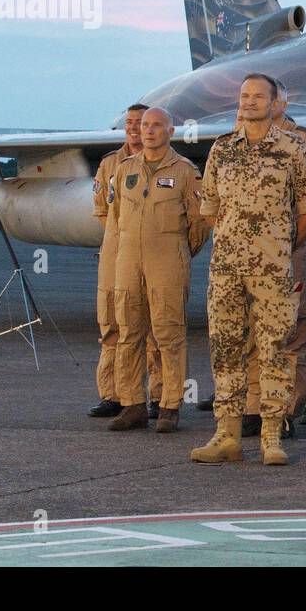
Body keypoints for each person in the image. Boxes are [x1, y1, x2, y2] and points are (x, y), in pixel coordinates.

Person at [190, 74, 306, 466]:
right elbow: (211, 211)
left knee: (275, 350)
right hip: (226, 270)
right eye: (244, 95)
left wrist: (279, 245)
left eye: (258, 96)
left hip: (273, 270)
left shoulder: (293, 148)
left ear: (275, 102)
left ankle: (270, 437)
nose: (248, 102)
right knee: (225, 349)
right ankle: (227, 435)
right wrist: (238, 243)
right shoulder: (222, 149)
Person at [106, 108, 209, 433]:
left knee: (168, 334)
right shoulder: (124, 170)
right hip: (128, 261)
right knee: (128, 333)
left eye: (156, 126)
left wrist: (176, 253)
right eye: (144, 125)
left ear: (170, 131)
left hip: (167, 261)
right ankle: (132, 404)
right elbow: (117, 215)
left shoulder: (185, 172)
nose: (148, 131)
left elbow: (198, 224)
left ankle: (168, 406)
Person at [89, 104, 162, 418]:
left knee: (156, 329)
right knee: (112, 325)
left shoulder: (173, 165)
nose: (135, 128)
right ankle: (114, 395)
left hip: (155, 259)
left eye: (142, 122)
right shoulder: (109, 165)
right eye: (130, 123)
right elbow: (103, 210)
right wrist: (124, 240)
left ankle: (159, 398)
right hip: (116, 257)